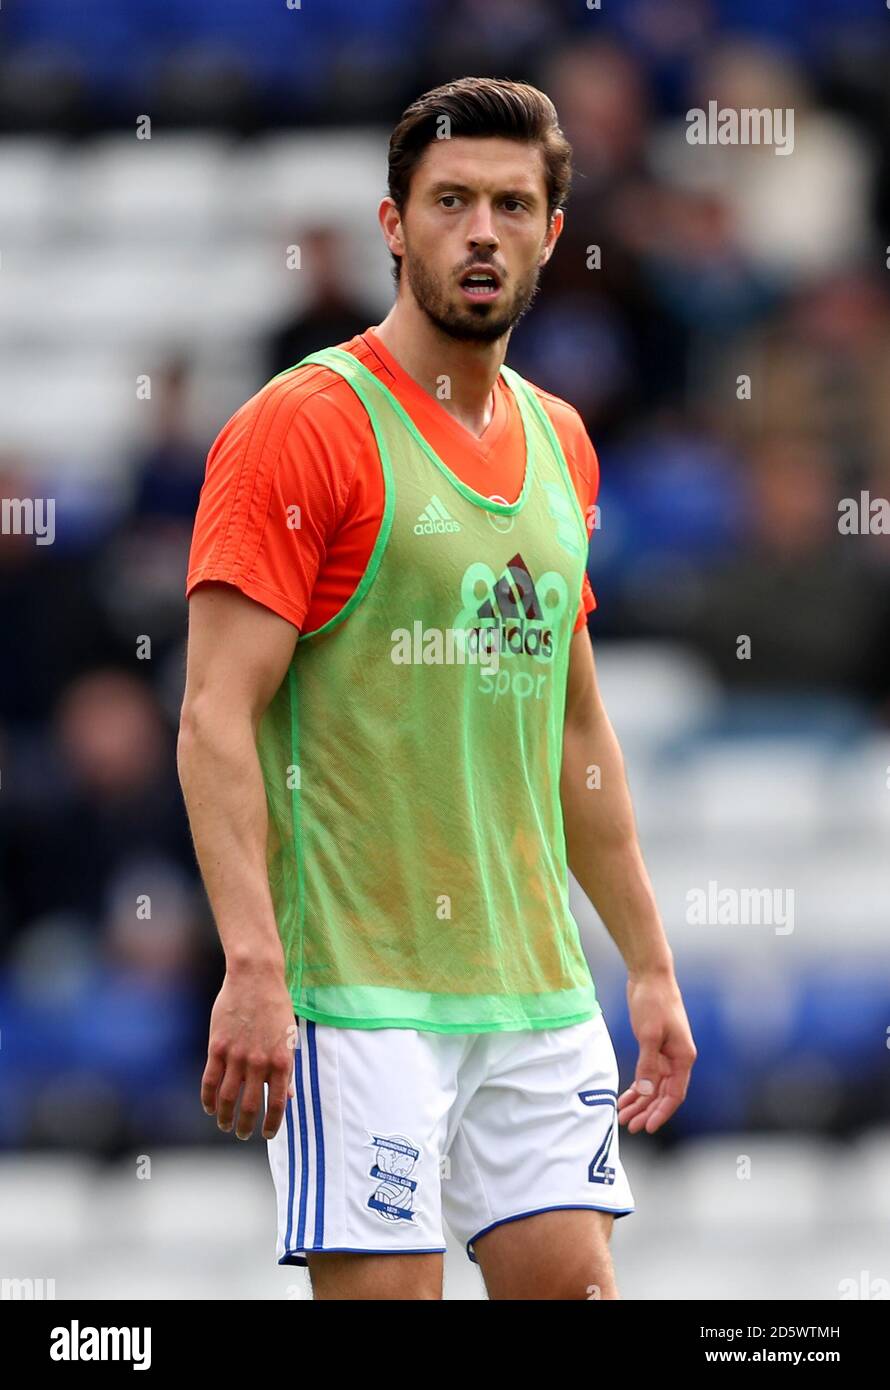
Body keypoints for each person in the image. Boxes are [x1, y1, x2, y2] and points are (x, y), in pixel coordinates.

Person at [178, 76, 696, 1301]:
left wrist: (648, 962)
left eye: (511, 204)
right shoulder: (300, 427)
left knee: (574, 1287)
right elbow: (211, 715)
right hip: (355, 985)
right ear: (394, 225)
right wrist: (253, 961)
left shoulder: (563, 441)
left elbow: (574, 724)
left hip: (529, 981)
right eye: (450, 200)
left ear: (551, 232)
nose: (481, 230)